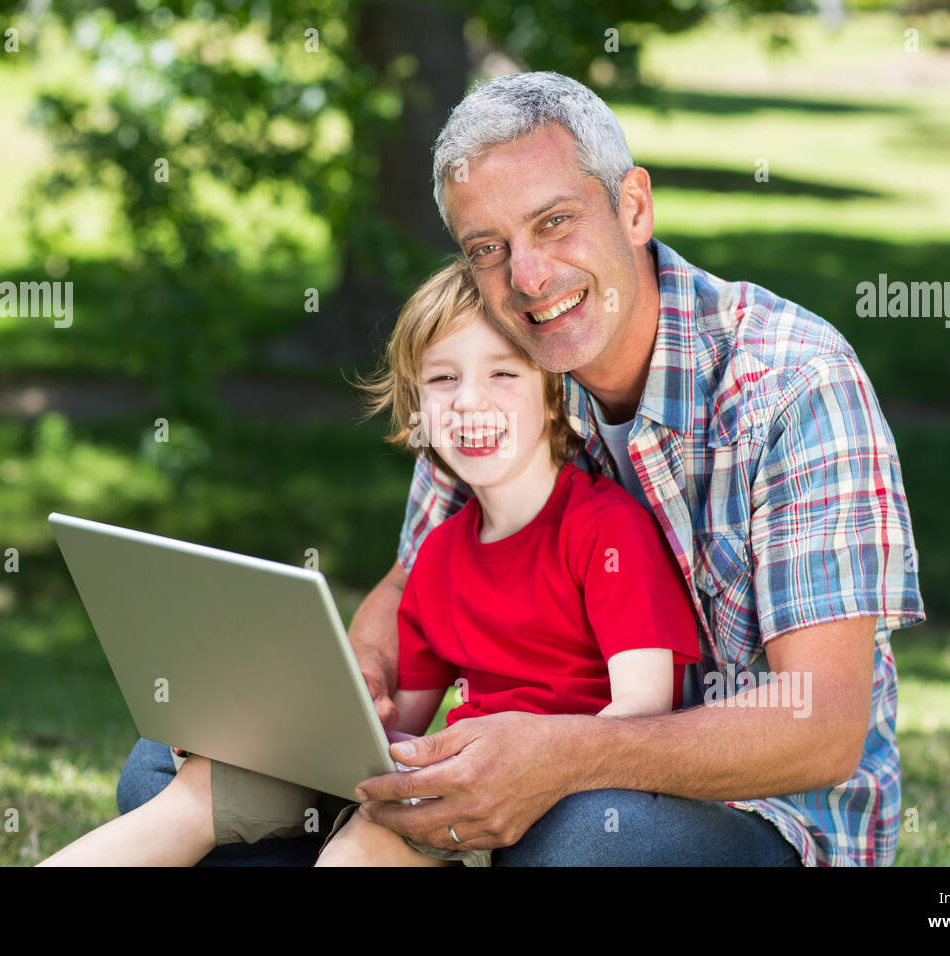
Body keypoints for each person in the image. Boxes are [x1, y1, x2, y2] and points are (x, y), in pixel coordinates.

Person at [118, 70, 925, 867]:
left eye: (555, 224)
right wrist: (359, 679)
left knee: (584, 841)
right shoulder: (503, 369)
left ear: (633, 207)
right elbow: (415, 583)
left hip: (758, 819)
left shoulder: (792, 384)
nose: (529, 277)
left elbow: (820, 727)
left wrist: (565, 760)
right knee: (169, 768)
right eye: (489, 249)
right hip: (521, 770)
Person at [38, 259, 699, 867]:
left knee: (366, 846)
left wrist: (524, 771)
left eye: (503, 372)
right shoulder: (439, 556)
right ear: (417, 409)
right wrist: (262, 724)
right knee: (206, 788)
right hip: (432, 791)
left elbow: (643, 712)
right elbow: (391, 729)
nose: (469, 401)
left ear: (554, 392)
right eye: (443, 379)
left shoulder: (606, 531)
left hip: (536, 801)